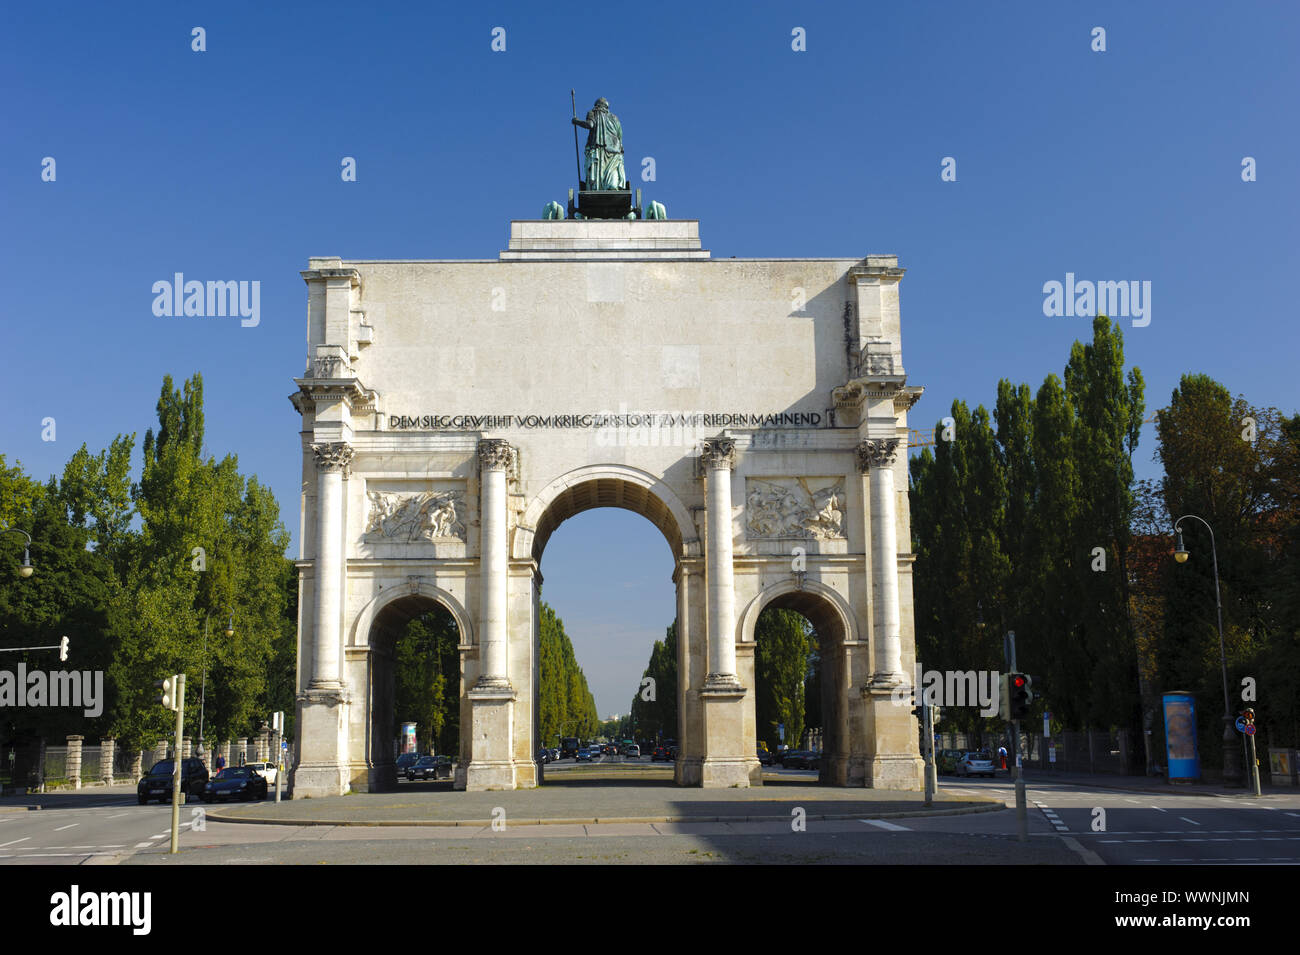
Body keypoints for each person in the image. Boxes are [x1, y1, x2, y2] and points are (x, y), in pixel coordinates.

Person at [572, 97, 626, 190]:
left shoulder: (593, 113)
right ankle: (612, 186)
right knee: (611, 170)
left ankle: (596, 187)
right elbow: (620, 134)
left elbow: (590, 124)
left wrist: (576, 121)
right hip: (615, 150)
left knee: (597, 168)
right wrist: (620, 147)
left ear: (596, 105)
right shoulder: (614, 117)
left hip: (598, 148)